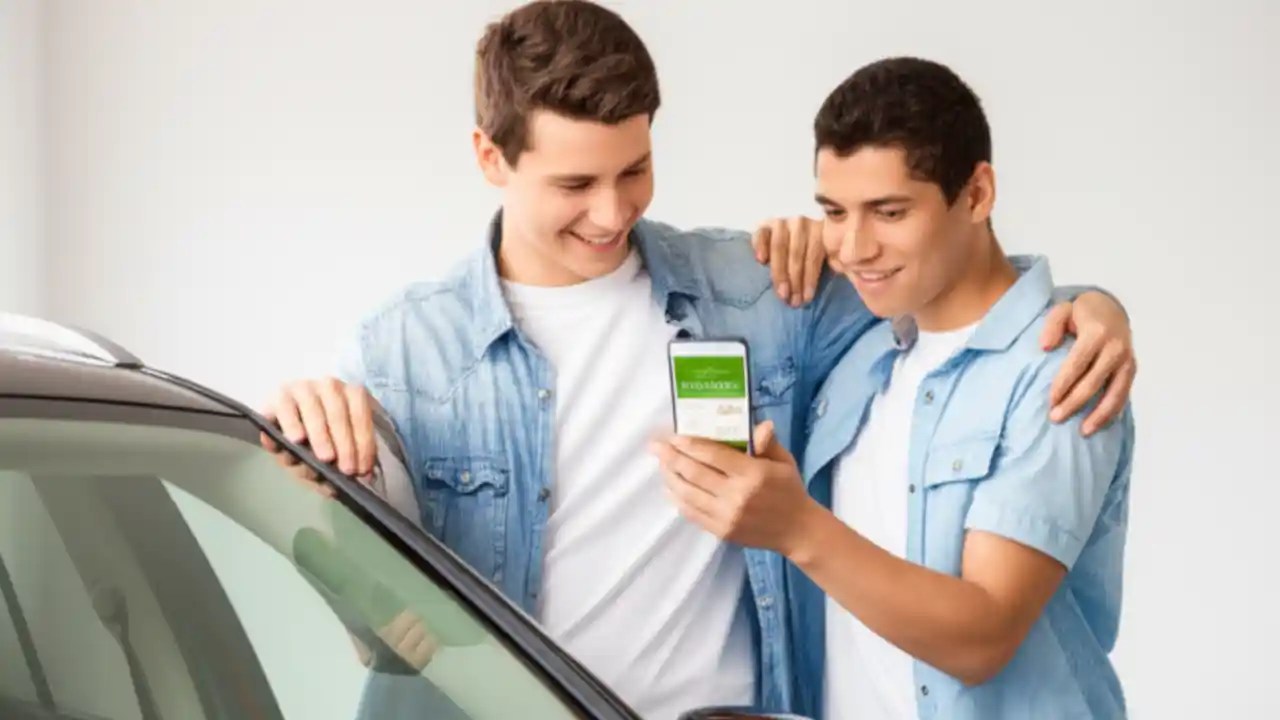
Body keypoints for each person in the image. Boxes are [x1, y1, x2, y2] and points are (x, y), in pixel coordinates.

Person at [261, 2, 1138, 716]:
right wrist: (306, 465)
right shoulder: (404, 351)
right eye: (574, 185)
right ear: (491, 157)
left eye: (634, 170)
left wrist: (1090, 309)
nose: (612, 213)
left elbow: (952, 294)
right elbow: (375, 626)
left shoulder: (756, 293)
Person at [652, 56, 1135, 719]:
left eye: (889, 211)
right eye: (833, 211)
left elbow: (983, 636)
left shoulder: (1061, 370)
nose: (853, 247)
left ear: (977, 194)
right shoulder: (863, 349)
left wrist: (797, 528)